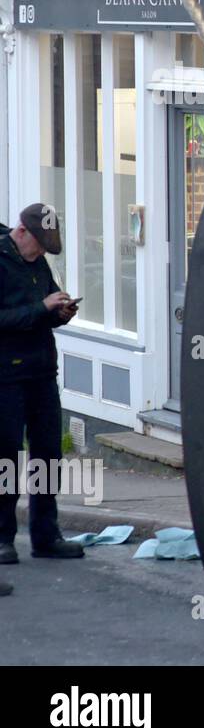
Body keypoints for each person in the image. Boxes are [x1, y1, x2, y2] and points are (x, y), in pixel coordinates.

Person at [0, 203, 86, 565]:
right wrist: (40, 308)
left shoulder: (38, 263)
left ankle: (46, 535)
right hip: (6, 374)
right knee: (6, 457)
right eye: (39, 246)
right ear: (21, 233)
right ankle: (3, 539)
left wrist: (59, 313)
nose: (41, 255)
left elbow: (43, 308)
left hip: (41, 371)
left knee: (48, 455)